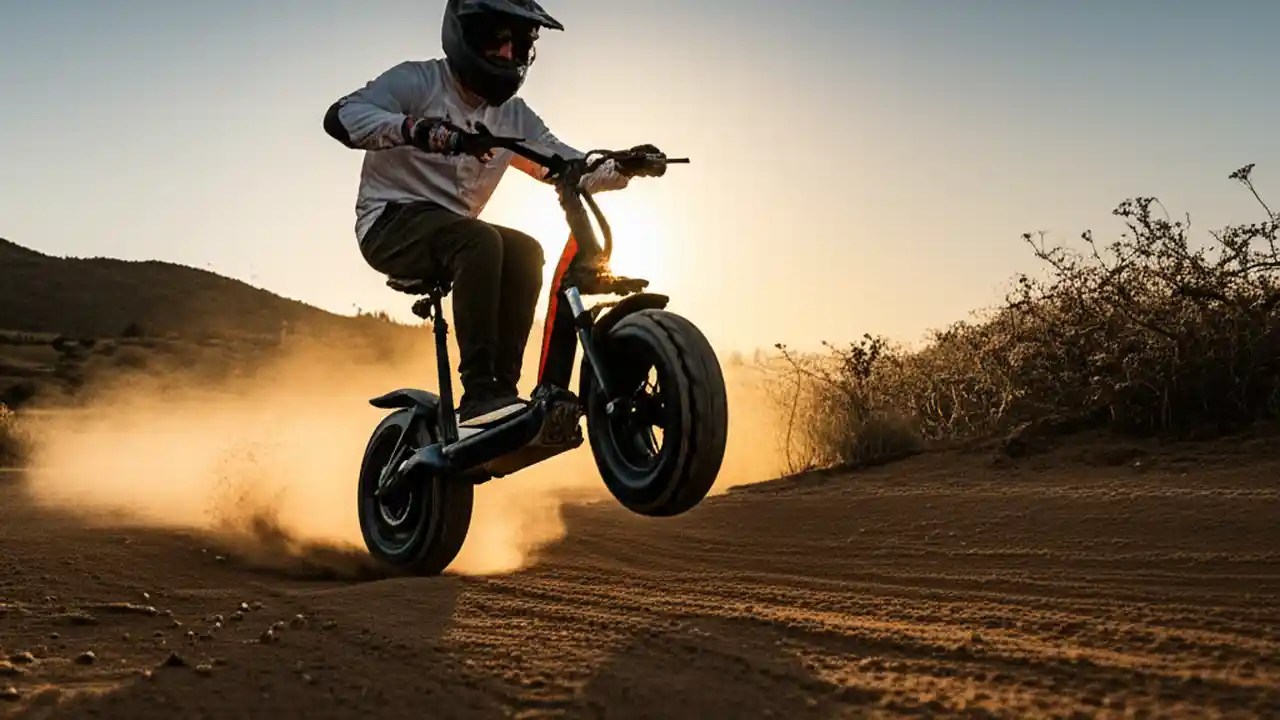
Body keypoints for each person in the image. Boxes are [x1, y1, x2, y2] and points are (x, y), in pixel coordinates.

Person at [323, 0, 663, 427]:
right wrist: (419, 130)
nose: (507, 55)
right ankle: (480, 394)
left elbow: (566, 163)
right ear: (464, 34)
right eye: (495, 39)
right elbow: (341, 116)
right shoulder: (418, 80)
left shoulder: (512, 117)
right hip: (389, 222)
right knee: (480, 240)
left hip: (453, 231)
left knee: (524, 249)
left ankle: (504, 395)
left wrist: (623, 165)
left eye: (520, 44)